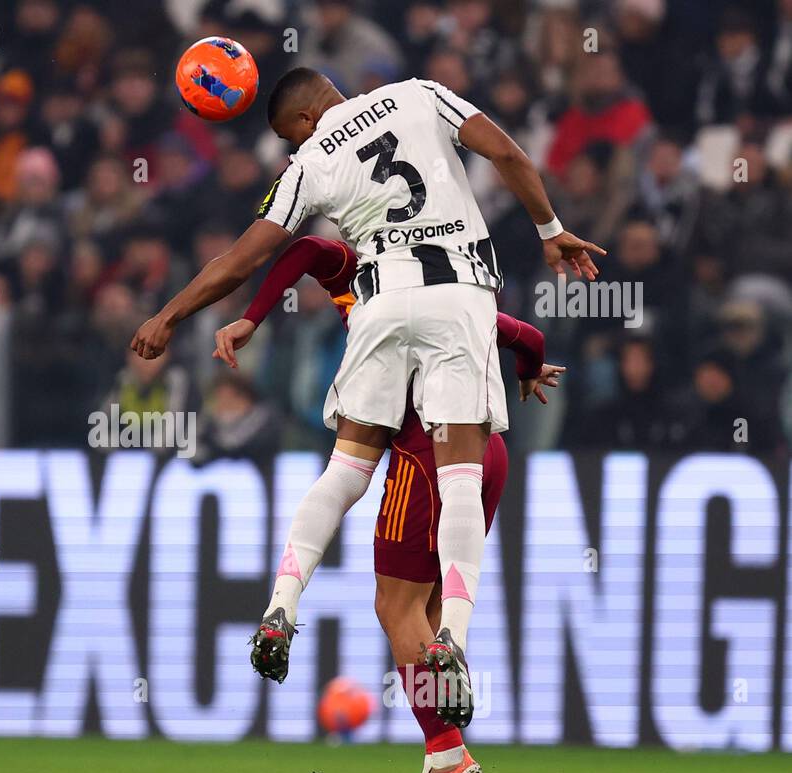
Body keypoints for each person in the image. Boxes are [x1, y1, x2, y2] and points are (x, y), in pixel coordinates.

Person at [131, 67, 602, 735]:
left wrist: (169, 317)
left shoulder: (309, 162)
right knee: (462, 476)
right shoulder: (419, 93)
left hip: (380, 304)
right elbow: (506, 153)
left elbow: (242, 260)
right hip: (458, 293)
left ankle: (281, 607)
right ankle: (454, 641)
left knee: (345, 472)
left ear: (298, 124)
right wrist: (551, 227)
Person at [214, 235, 561, 773]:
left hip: (424, 453)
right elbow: (530, 337)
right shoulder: (455, 295)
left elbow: (302, 251)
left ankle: (446, 754)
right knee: (422, 616)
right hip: (487, 449)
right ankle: (447, 687)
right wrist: (527, 374)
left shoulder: (370, 284)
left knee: (394, 608)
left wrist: (251, 317)